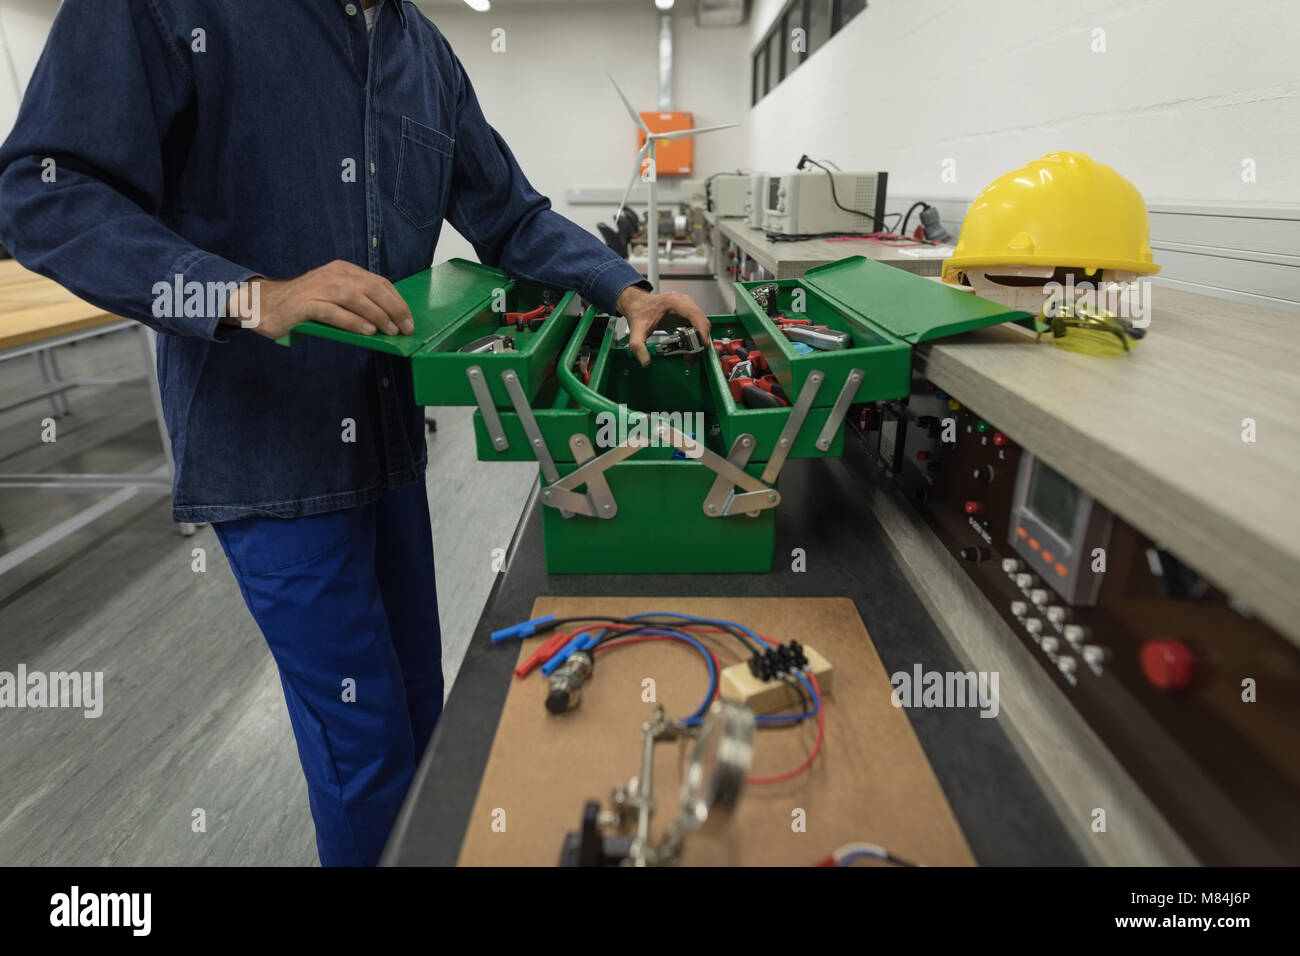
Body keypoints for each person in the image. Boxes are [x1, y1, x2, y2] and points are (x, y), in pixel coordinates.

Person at [0, 0, 710, 866]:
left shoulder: (424, 52)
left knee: (417, 705)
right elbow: (48, 192)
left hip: (386, 439)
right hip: (270, 456)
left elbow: (512, 216)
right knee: (365, 749)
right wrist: (243, 293)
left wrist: (623, 290)